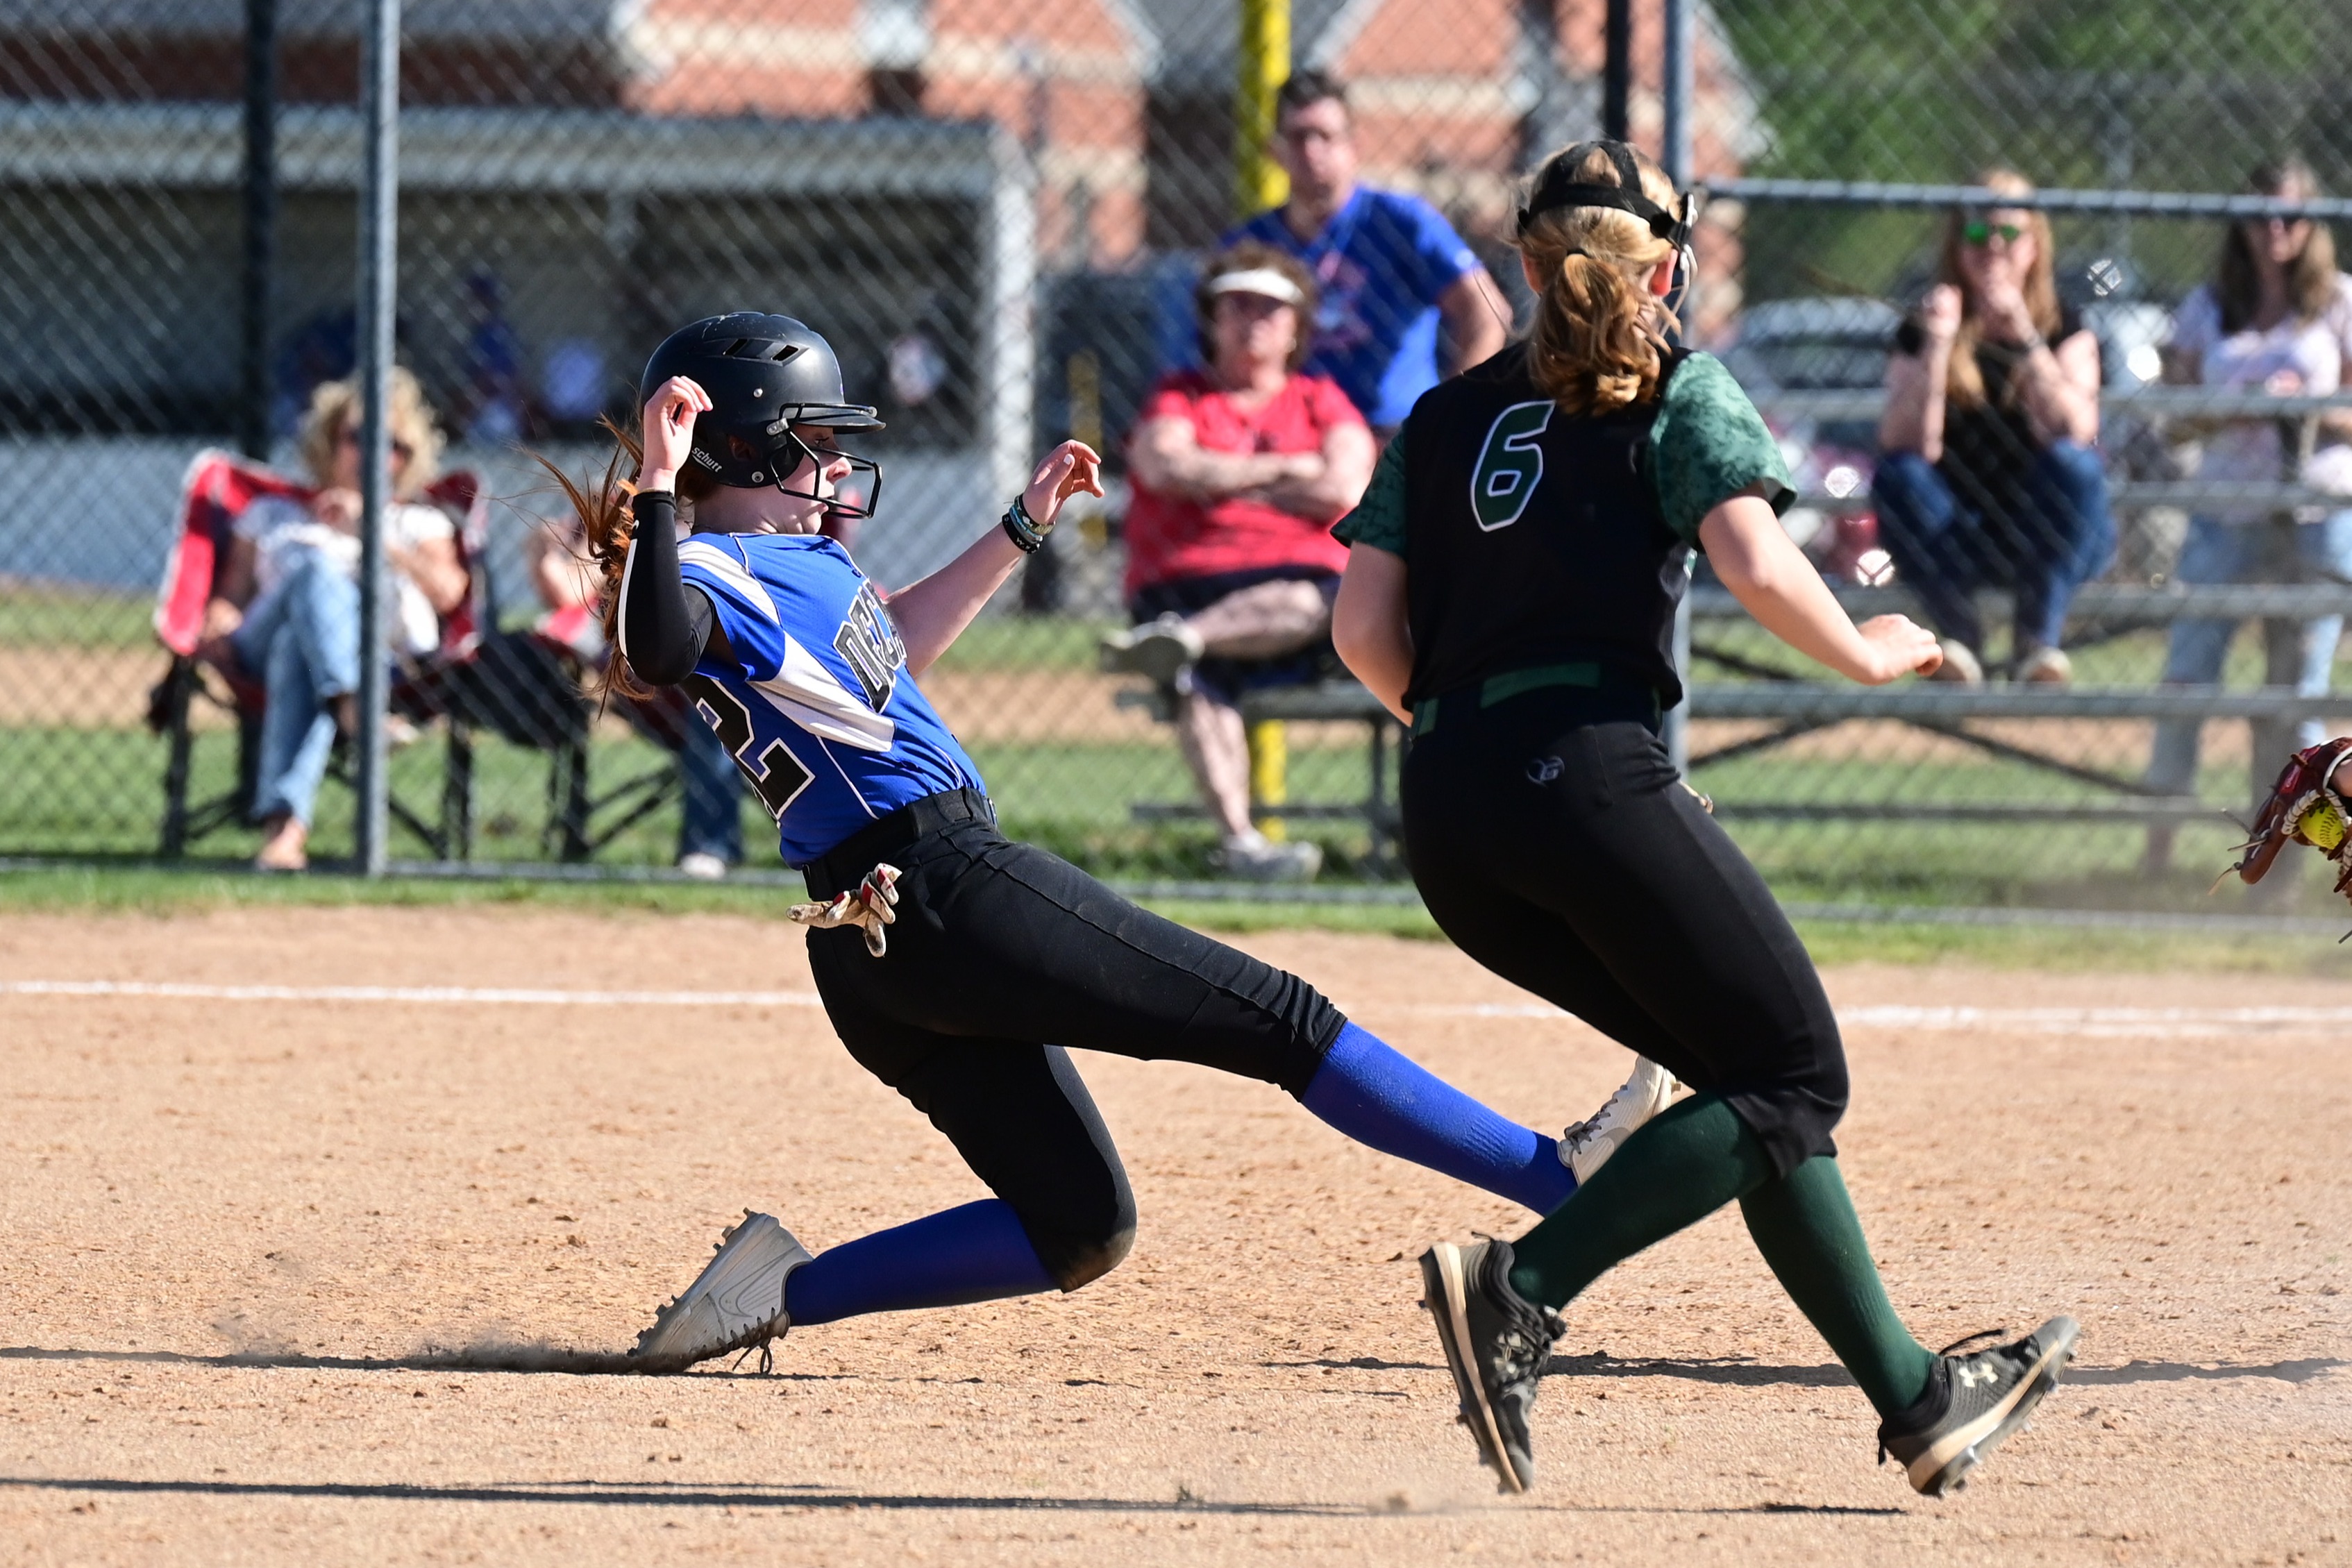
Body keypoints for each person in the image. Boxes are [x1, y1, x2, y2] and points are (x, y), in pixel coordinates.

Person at [551, 311, 1677, 1374]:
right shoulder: (700, 565)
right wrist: (659, 477)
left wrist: (1019, 527)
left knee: (1080, 1225)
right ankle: (1558, 1176)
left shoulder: (793, 562)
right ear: (742, 449)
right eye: (815, 443)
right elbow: (655, 646)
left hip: (877, 939)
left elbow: (892, 647)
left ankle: (780, 1290)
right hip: (942, 888)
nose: (838, 467)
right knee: (1282, 1020)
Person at [1328, 140, 2077, 1497]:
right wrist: (1865, 653)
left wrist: (1476, 746)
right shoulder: (1673, 385)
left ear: (1524, 260)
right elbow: (1750, 559)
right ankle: (1519, 1287)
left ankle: (1917, 1400)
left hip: (1443, 811)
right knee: (1793, 1077)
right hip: (1581, 772)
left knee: (1750, 1084)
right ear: (1664, 266)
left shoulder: (1439, 419)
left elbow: (1359, 630)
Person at [1101, 244, 1376, 880]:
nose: (1254, 319)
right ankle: (1244, 845)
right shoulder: (1180, 395)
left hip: (1296, 593)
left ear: (1297, 325)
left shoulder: (1319, 398)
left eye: (1270, 308)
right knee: (1198, 681)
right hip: (1184, 578)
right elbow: (1162, 464)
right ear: (1213, 319)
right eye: (1238, 305)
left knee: (1319, 601)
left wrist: (1218, 477)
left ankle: (1175, 643)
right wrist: (1285, 471)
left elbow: (1342, 488)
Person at [2144, 158, 2352, 863]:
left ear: (2311, 222)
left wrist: (2308, 409)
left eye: (2290, 214)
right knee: (2188, 675)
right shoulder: (2209, 306)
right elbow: (2170, 419)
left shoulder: (2338, 303)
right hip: (2226, 514)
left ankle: (2300, 856)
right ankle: (2158, 848)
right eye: (2261, 211)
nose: (2274, 228)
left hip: (2314, 513)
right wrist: (2223, 411)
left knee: (2298, 692)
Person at [199, 369, 469, 871]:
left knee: (295, 652)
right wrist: (215, 621)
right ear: (328, 441)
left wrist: (372, 533)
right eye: (359, 437)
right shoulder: (273, 513)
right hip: (254, 651)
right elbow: (230, 598)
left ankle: (284, 834)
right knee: (316, 570)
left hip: (376, 662)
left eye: (394, 445)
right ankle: (355, 707)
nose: (375, 453)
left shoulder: (418, 522)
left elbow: (451, 593)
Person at [1875, 169, 2113, 684]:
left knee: (2073, 464)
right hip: (1955, 532)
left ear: (2035, 245)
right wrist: (1937, 348)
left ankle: (2038, 641)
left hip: (2050, 535)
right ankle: (1960, 639)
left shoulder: (2062, 326)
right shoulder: (1924, 324)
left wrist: (2025, 340)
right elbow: (1907, 445)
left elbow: (2075, 428)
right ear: (1958, 244)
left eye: (2009, 234)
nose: (1993, 249)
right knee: (1898, 473)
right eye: (1979, 234)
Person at [1227, 69, 1509, 435]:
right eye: (1298, 137)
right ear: (1274, 151)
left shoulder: (1403, 222)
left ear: (1355, 146)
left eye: (1325, 136)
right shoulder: (1251, 245)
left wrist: (1451, 414)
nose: (1312, 151)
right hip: (1287, 436)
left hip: (1395, 434)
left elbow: (1488, 313)